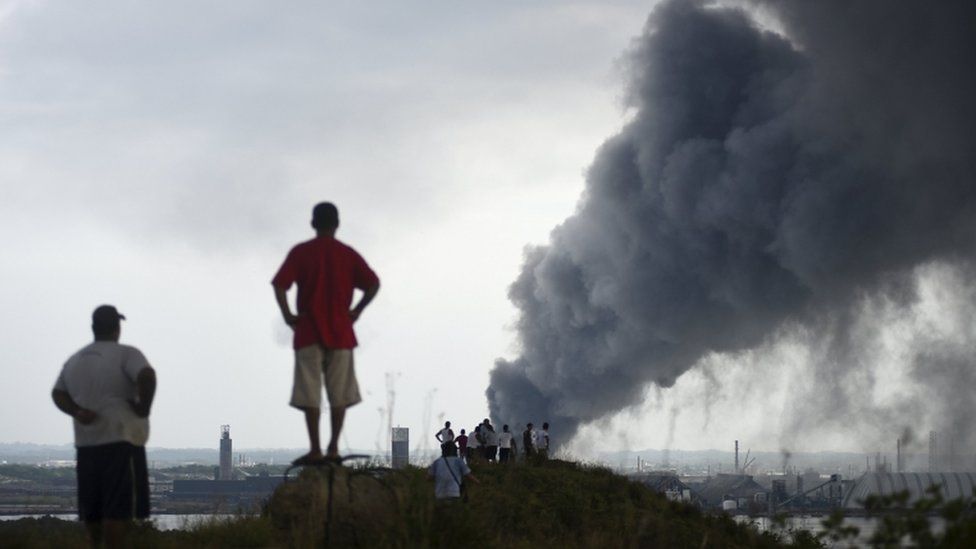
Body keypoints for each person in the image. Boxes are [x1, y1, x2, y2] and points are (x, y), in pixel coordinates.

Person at [272, 202, 380, 464]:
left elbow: (280, 285)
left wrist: (288, 316)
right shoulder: (346, 254)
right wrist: (355, 312)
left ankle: (316, 448)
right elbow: (373, 284)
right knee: (339, 393)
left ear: (313, 223)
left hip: (308, 331)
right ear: (337, 224)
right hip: (341, 332)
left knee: (309, 392)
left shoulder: (302, 252)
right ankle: (333, 448)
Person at [52, 305, 157, 549]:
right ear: (117, 328)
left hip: (86, 445)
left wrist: (77, 412)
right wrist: (144, 408)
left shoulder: (75, 359)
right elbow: (147, 376)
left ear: (93, 328)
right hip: (121, 441)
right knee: (117, 511)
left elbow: (58, 393)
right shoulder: (127, 354)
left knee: (93, 512)